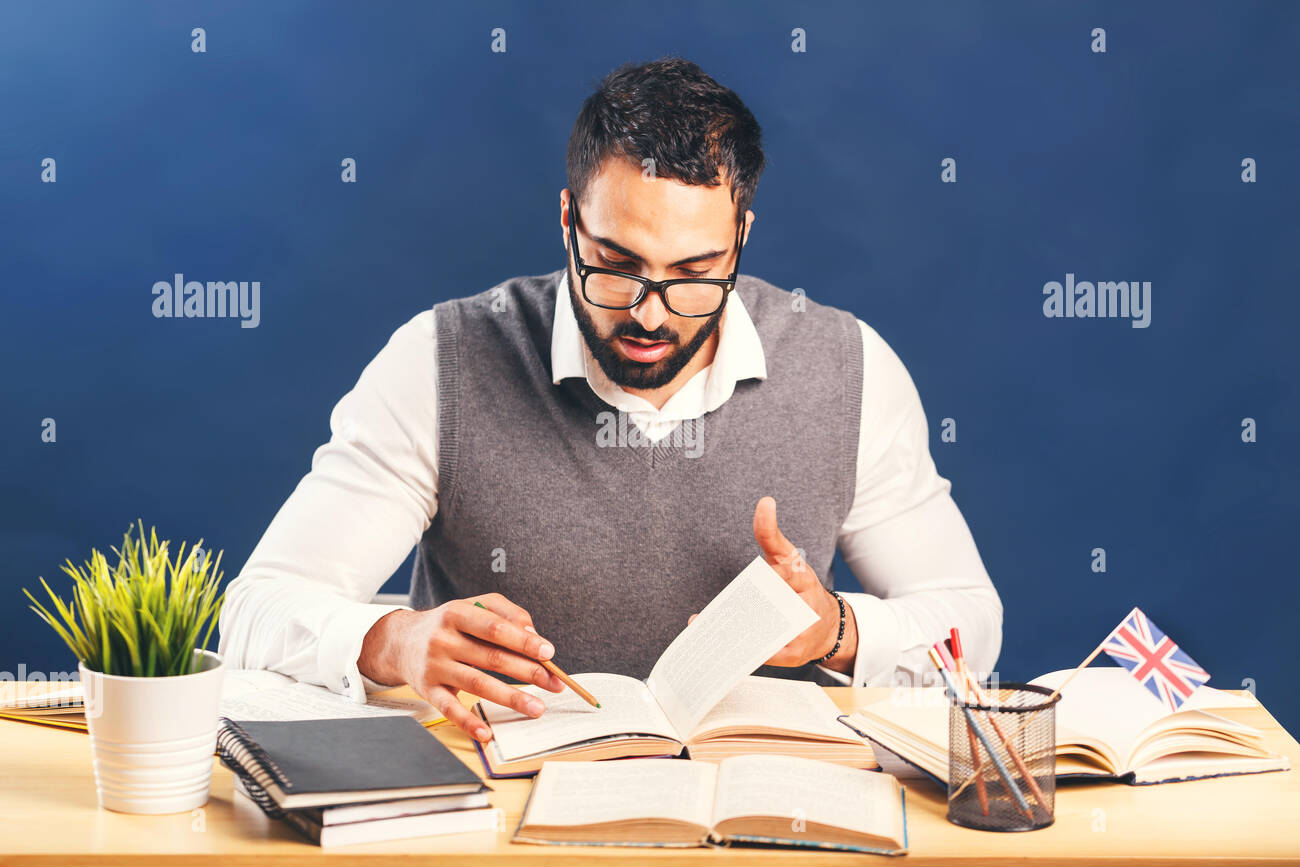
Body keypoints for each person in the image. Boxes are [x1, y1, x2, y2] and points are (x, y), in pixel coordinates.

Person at [217, 57, 1002, 744]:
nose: (652, 314)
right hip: (497, 820)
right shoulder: (440, 360)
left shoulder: (847, 366)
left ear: (742, 241)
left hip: (760, 817)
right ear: (568, 221)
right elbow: (255, 609)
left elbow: (972, 621)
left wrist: (836, 631)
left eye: (695, 272)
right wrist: (394, 641)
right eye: (617, 265)